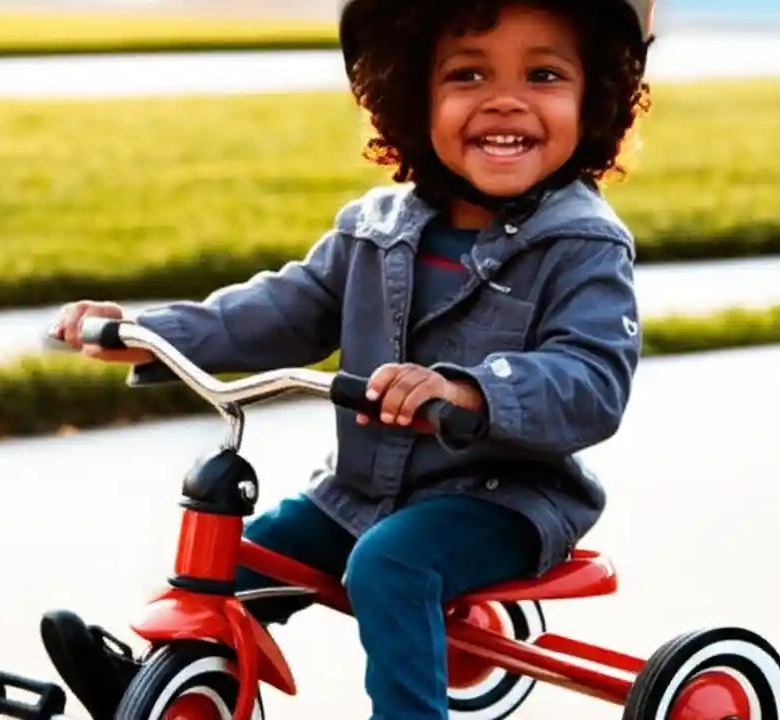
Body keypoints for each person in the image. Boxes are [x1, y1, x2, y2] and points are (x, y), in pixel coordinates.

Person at [55, 0, 654, 717]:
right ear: (413, 95)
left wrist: (468, 392)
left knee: (390, 563)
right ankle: (161, 683)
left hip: (504, 498)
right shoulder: (377, 231)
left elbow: (591, 379)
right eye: (467, 74)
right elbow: (279, 311)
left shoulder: (583, 244)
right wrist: (152, 331)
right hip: (365, 491)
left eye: (544, 74)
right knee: (242, 562)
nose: (505, 100)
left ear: (595, 101)